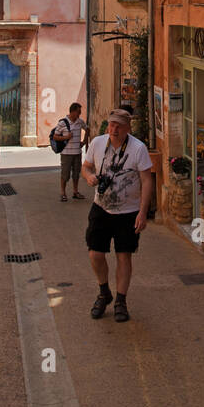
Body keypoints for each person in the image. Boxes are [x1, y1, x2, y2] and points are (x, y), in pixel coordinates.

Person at [82, 108, 153, 322]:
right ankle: (104, 292)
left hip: (128, 212)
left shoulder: (138, 149)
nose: (114, 129)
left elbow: (147, 181)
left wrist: (143, 212)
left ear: (127, 128)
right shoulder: (97, 143)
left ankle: (121, 301)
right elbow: (86, 167)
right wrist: (89, 177)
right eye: (111, 125)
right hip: (101, 208)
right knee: (95, 253)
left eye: (119, 126)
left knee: (124, 256)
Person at [55, 102, 89, 202]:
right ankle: (63, 193)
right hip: (66, 153)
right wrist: (66, 137)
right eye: (78, 112)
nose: (79, 114)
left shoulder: (80, 122)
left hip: (77, 153)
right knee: (65, 174)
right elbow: (55, 136)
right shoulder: (62, 123)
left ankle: (75, 192)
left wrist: (84, 142)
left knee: (76, 174)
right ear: (73, 111)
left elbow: (87, 129)